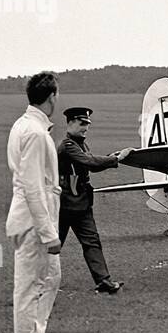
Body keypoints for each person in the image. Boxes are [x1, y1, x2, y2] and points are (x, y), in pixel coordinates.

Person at [5, 71, 64, 333]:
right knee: (33, 285)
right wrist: (48, 232)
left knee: (50, 279)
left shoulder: (22, 125)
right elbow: (32, 186)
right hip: (33, 221)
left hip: (27, 217)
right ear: (52, 96)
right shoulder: (37, 133)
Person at [58, 107, 133, 293]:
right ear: (70, 123)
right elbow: (88, 162)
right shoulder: (67, 146)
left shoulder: (80, 144)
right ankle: (36, 282)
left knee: (92, 241)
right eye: (82, 124)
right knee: (53, 244)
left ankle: (104, 282)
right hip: (65, 204)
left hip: (81, 202)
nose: (86, 128)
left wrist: (111, 158)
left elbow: (91, 164)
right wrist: (116, 159)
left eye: (87, 124)